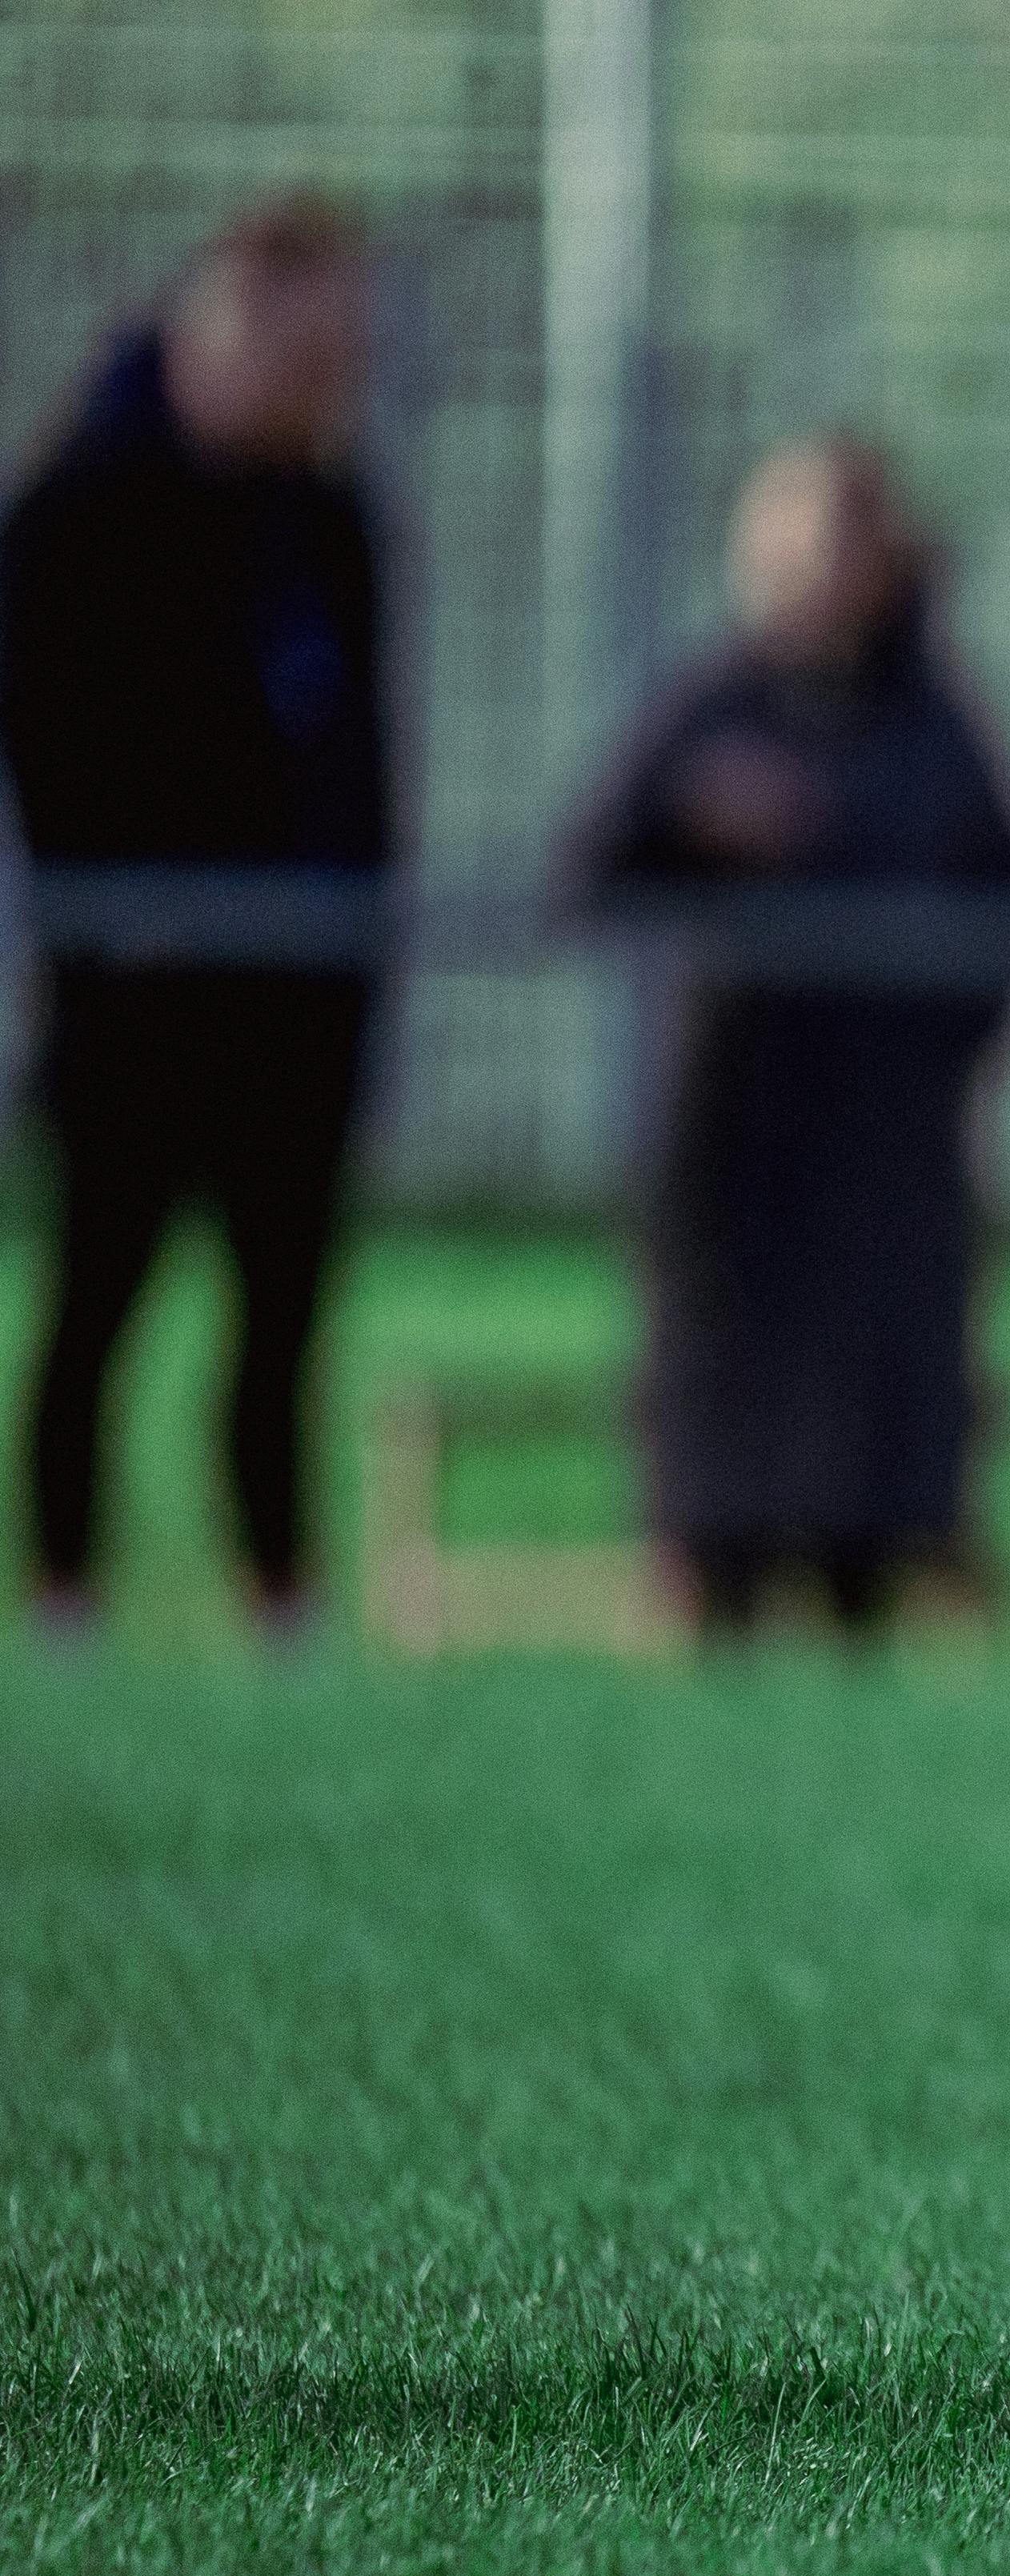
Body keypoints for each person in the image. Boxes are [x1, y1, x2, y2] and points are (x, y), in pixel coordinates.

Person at [563, 435, 1010, 1647]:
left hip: (887, 1141)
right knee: (727, 1450)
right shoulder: (712, 707)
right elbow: (592, 867)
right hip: (739, 1135)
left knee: (871, 1477)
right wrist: (700, 825)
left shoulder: (939, 724)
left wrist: (933, 1023)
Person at [6, 198, 391, 1647]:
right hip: (131, 1000)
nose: (337, 380)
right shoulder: (81, 508)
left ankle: (285, 1606)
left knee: (281, 1320)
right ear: (235, 324)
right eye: (317, 348)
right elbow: (43, 735)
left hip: (296, 1002)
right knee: (97, 1299)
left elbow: (363, 772)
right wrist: (118, 910)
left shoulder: (332, 517)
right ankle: (62, 1604)